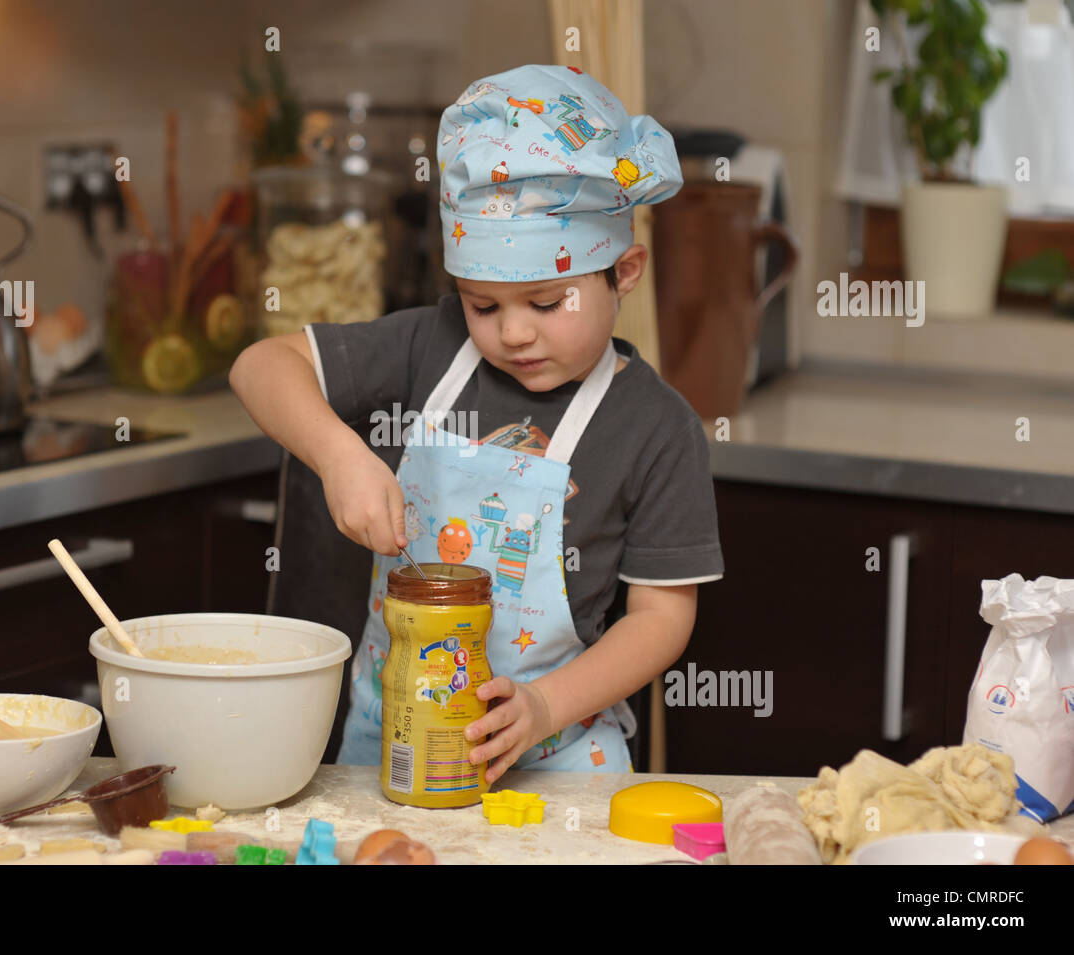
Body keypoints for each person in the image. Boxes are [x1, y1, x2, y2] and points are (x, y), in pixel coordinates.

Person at [230, 63, 724, 784]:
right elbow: (259, 366)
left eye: (547, 302)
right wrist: (339, 454)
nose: (513, 333)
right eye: (483, 305)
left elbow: (661, 619)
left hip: (560, 760)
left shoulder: (658, 429)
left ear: (624, 270)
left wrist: (544, 705)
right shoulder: (430, 347)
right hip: (392, 745)